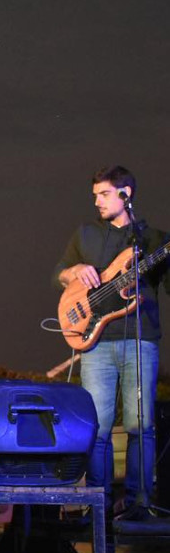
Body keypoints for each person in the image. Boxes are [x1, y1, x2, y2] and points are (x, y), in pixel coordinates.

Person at [54, 165, 168, 516]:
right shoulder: (86, 234)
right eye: (95, 196)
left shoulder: (152, 241)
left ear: (126, 195)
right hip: (97, 341)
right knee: (99, 428)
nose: (97, 202)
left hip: (139, 338)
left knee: (142, 426)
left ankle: (139, 503)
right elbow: (62, 273)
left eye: (104, 194)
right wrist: (74, 272)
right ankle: (97, 504)